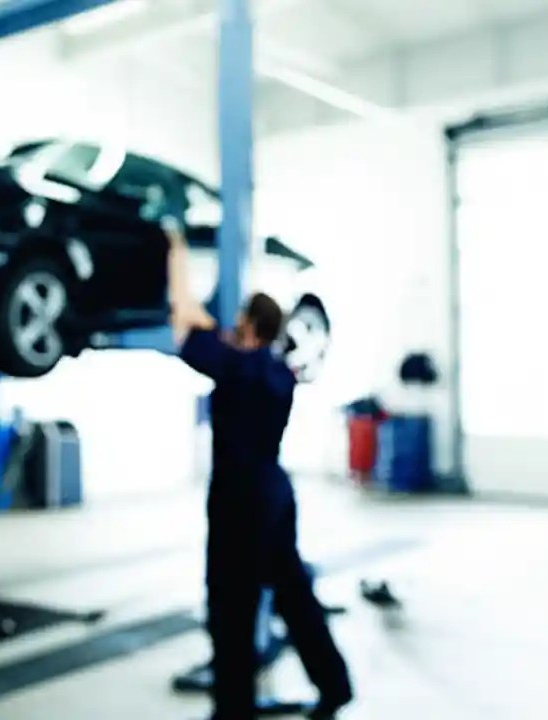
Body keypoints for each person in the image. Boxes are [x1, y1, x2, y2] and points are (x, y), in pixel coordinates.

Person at [165, 220, 353, 720]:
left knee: (231, 606)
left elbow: (185, 321)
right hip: (275, 494)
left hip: (238, 501)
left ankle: (234, 710)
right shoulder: (276, 371)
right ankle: (335, 684)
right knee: (293, 591)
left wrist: (178, 255)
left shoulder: (234, 366)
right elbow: (205, 329)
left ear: (248, 326)